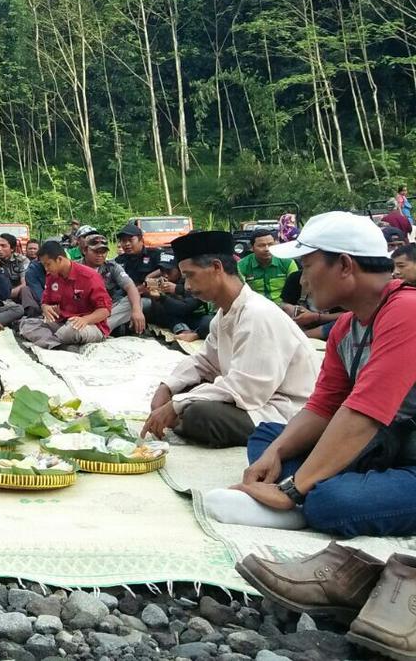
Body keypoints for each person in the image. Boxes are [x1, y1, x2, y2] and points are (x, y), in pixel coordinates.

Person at [228, 213, 416, 661]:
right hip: (385, 446)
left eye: (308, 265)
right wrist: (276, 455)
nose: (302, 279)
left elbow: (362, 413)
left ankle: (304, 503)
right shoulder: (348, 328)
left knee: (333, 501)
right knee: (270, 435)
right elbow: (323, 405)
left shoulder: (407, 312)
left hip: (402, 450)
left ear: (345, 266)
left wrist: (296, 487)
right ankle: (305, 492)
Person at [142, 231, 319, 448]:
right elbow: (205, 361)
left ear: (217, 268)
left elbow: (247, 388)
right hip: (253, 397)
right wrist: (167, 387)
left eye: (190, 275)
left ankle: (182, 419)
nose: (186, 286)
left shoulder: (257, 314)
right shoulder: (225, 314)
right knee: (183, 393)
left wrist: (175, 405)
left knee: (198, 413)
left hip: (282, 409)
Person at [17, 241, 112, 350]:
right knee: (27, 324)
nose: (46, 269)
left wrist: (85, 319)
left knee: (71, 331)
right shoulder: (52, 276)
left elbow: (105, 310)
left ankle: (51, 341)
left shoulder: (89, 276)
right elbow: (45, 302)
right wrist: (46, 308)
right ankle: (59, 345)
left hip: (88, 325)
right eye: (44, 265)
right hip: (61, 321)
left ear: (60, 259)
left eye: (48, 264)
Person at [77, 233, 145, 335]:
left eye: (103, 251)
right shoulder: (73, 268)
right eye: (96, 251)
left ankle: (99, 329)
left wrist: (137, 311)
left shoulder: (112, 267)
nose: (100, 255)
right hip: (81, 310)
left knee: (135, 302)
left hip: (107, 312)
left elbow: (130, 287)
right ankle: (94, 329)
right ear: (85, 250)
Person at [142, 253, 210, 341]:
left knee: (208, 323)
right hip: (174, 318)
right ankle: (181, 328)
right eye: (162, 271)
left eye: (169, 271)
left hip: (197, 317)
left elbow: (184, 308)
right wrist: (153, 293)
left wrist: (172, 292)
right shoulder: (162, 280)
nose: (165, 275)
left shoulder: (194, 280)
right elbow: (147, 281)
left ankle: (194, 334)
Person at [237, 229, 297, 304]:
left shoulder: (288, 263)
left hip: (283, 308)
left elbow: (295, 291)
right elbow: (238, 293)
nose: (267, 249)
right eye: (261, 245)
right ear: (252, 248)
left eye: (270, 244)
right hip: (254, 309)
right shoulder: (241, 265)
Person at [280, 268, 340, 340]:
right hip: (299, 328)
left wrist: (316, 317)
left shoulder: (338, 283)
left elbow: (349, 315)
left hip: (330, 330)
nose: (303, 282)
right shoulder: (295, 278)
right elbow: (284, 305)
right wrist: (289, 308)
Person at [115, 222, 163, 293]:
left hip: (151, 296)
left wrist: (145, 286)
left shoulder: (156, 255)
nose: (127, 244)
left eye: (130, 240)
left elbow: (169, 278)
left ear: (141, 241)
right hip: (124, 295)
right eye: (123, 241)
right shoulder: (119, 260)